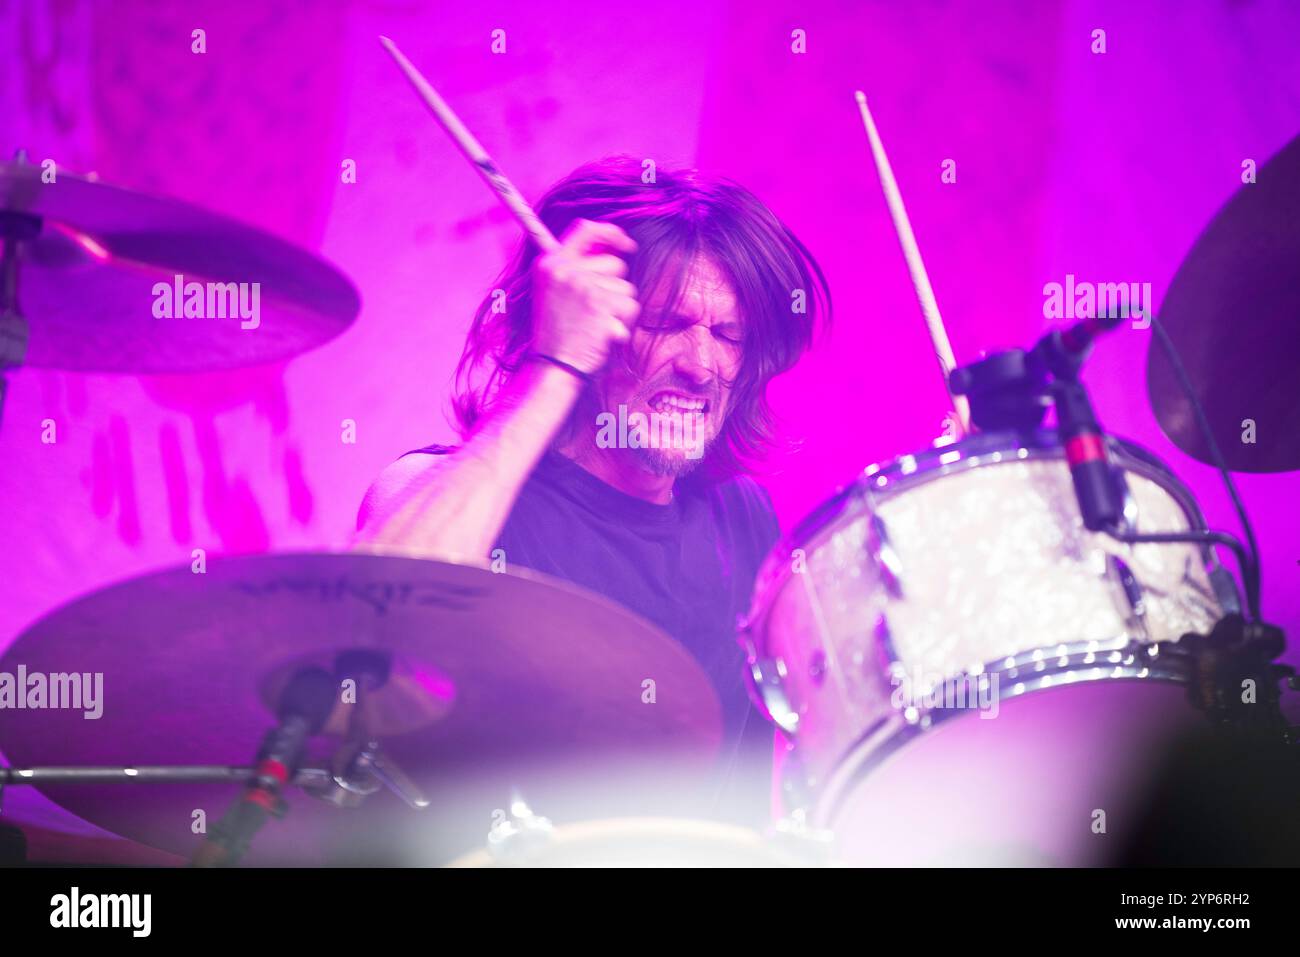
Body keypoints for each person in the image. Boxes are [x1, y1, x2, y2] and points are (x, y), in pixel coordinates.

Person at [356, 155, 829, 825]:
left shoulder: (742, 518)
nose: (701, 367)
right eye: (665, 323)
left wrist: (975, 504)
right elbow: (377, 612)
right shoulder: (449, 500)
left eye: (727, 335)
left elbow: (852, 684)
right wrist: (554, 365)